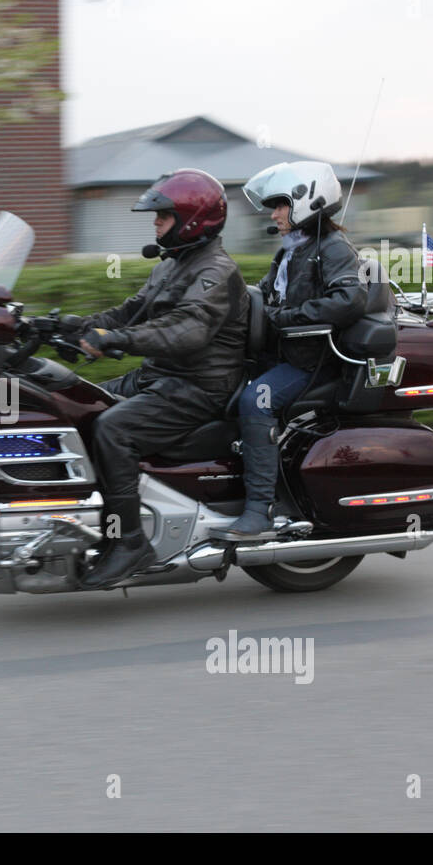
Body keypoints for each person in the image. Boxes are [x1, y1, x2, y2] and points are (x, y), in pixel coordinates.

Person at [68, 168, 249, 589]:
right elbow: (128, 313)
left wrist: (117, 339)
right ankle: (89, 526)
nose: (155, 223)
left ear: (191, 219)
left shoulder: (216, 272)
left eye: (162, 216)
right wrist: (62, 328)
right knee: (77, 400)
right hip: (161, 377)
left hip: (200, 386)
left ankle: (129, 543)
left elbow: (187, 330)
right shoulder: (173, 265)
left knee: (113, 429)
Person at [214, 160, 368, 540]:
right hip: (283, 356)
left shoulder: (333, 249)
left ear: (307, 201)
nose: (274, 213)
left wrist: (287, 318)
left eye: (281, 204)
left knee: (256, 402)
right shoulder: (292, 250)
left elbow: (349, 299)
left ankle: (260, 509)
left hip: (313, 362)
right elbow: (264, 297)